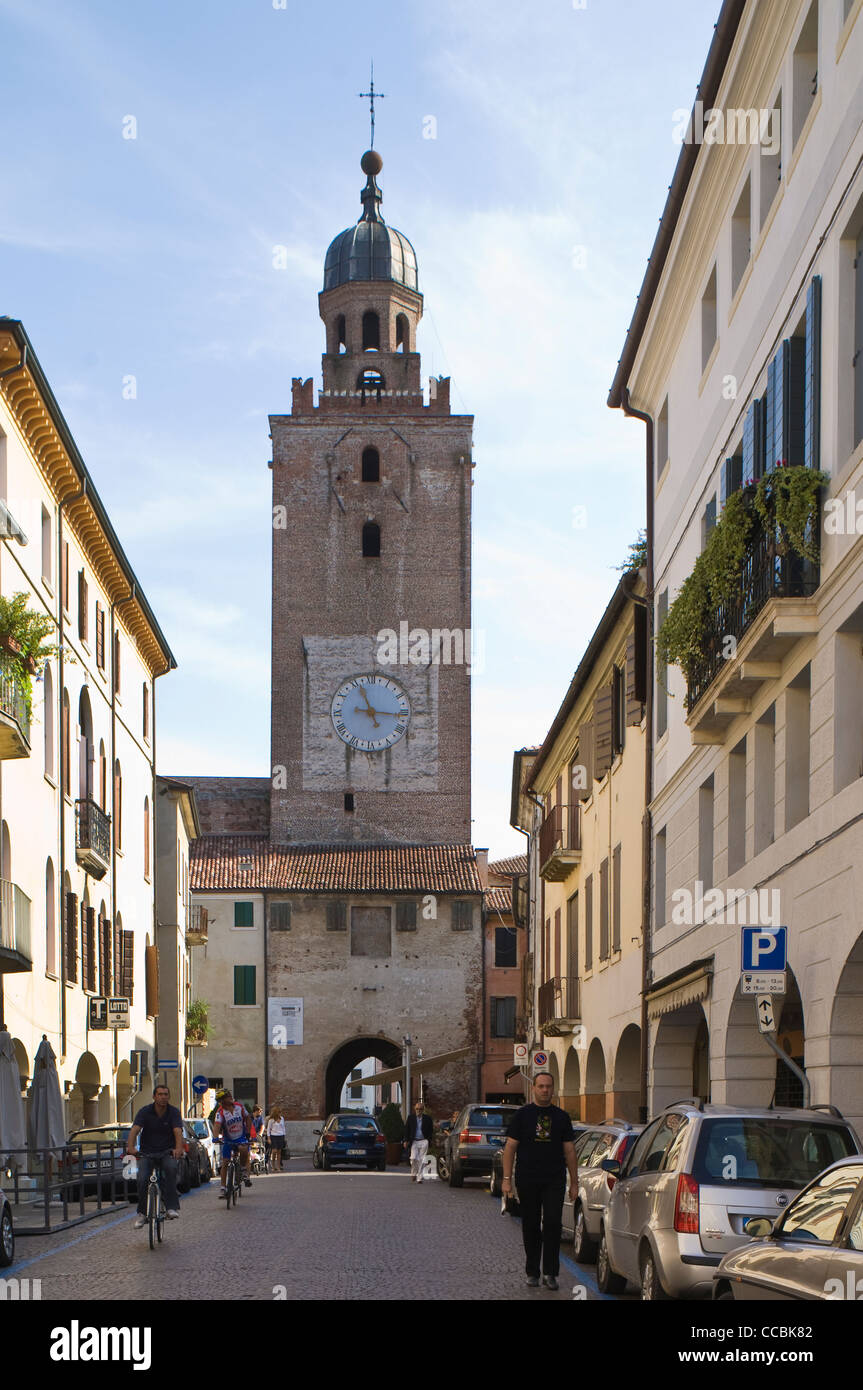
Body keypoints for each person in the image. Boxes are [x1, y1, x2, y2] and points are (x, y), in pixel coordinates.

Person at [501, 1072, 578, 1291]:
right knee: (531, 1225)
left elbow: (570, 1151)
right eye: (541, 1086)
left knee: (553, 1223)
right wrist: (506, 1180)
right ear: (533, 1088)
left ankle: (551, 1273)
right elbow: (510, 1148)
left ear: (553, 1089)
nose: (545, 1090)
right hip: (527, 1178)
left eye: (549, 1086)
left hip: (554, 1178)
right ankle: (532, 1271)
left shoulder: (562, 1117)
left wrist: (574, 1182)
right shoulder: (522, 1115)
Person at [127, 1084, 184, 1228]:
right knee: (142, 1178)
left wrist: (178, 1148)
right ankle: (142, 1214)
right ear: (154, 1096)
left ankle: (171, 1207)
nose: (163, 1097)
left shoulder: (173, 1112)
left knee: (171, 1169)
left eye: (166, 1094)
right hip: (147, 1152)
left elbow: (177, 1131)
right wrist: (131, 1147)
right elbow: (135, 1130)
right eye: (160, 1094)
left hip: (166, 1151)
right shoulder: (145, 1111)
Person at [212, 1089, 252, 1197]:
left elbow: (248, 1118)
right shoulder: (220, 1112)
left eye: (230, 1095)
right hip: (228, 1140)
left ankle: (243, 1169)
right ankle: (223, 1188)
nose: (230, 1097)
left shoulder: (239, 1107)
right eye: (227, 1096)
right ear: (222, 1100)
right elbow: (217, 1125)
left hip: (241, 1137)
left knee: (244, 1149)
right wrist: (215, 1137)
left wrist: (248, 1132)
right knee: (225, 1163)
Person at [403, 1100, 434, 1182]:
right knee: (413, 1158)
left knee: (422, 1159)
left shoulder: (427, 1119)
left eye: (420, 1109)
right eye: (417, 1109)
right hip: (414, 1141)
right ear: (414, 1109)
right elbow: (407, 1129)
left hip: (424, 1141)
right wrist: (406, 1140)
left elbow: (431, 1130)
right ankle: (413, 1173)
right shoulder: (411, 1118)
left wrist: (429, 1139)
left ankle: (419, 1177)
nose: (418, 1111)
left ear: (423, 1110)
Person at [266, 1106, 288, 1172]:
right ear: (275, 1113)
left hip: (281, 1136)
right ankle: (273, 1165)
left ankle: (278, 1166)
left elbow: (283, 1128)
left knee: (279, 1152)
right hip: (273, 1136)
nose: (280, 1113)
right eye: (279, 1112)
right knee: (274, 1151)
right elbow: (268, 1130)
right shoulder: (271, 1120)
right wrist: (269, 1138)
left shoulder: (282, 1118)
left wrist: (284, 1137)